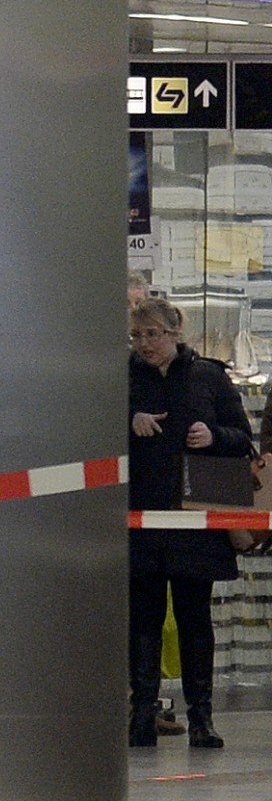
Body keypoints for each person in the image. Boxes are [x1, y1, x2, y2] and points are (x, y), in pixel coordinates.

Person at [130, 292, 247, 750]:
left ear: (176, 332)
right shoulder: (124, 378)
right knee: (143, 620)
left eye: (153, 334)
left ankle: (202, 718)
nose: (144, 344)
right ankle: (142, 715)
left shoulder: (209, 378)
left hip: (193, 521)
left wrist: (212, 434)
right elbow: (93, 436)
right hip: (141, 519)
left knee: (195, 618)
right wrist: (130, 419)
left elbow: (242, 440)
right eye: (137, 335)